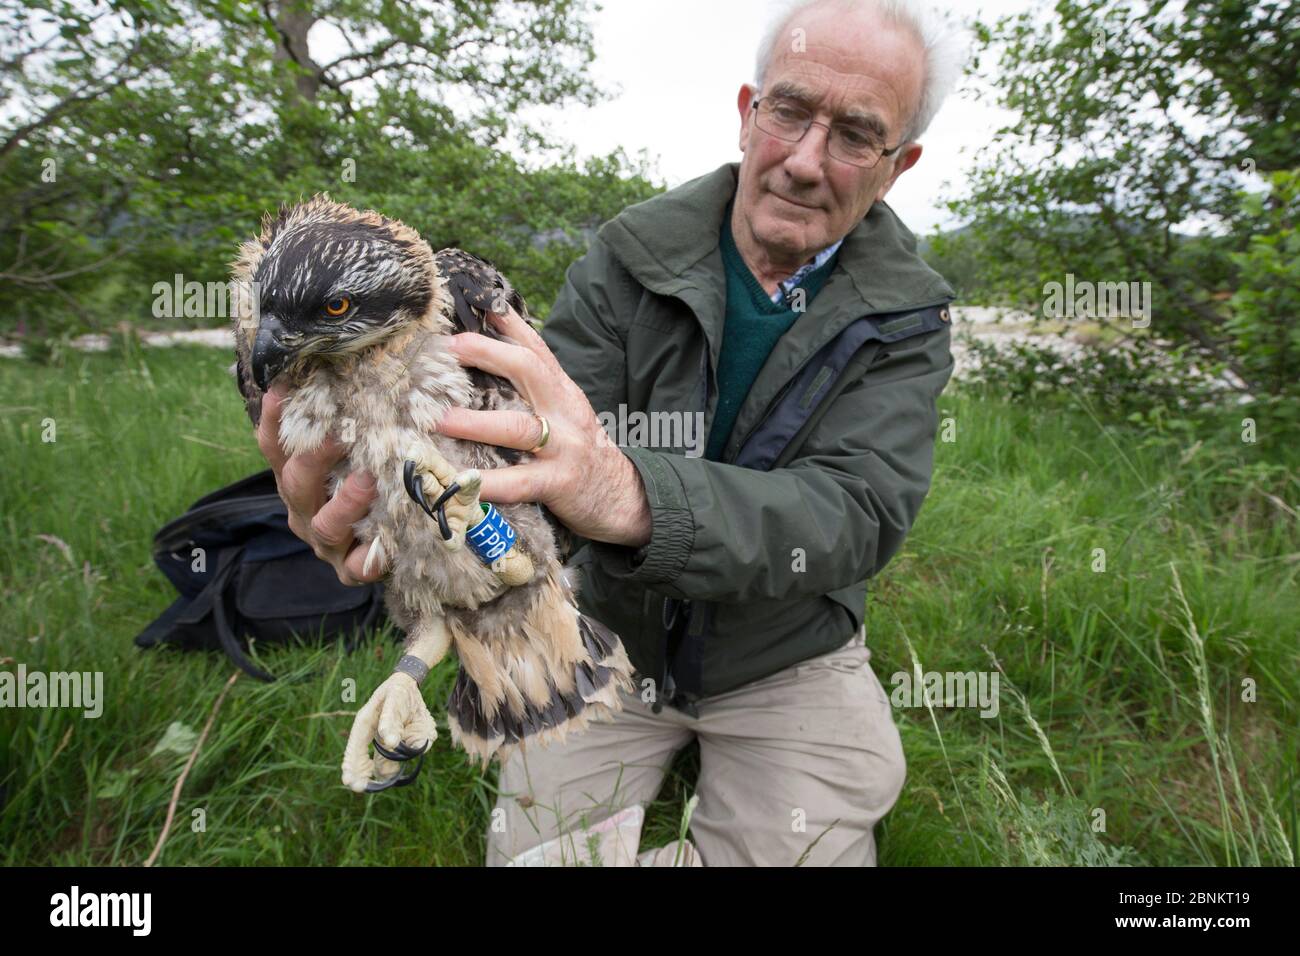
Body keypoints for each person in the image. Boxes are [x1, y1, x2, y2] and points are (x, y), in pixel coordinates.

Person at [255, 0, 964, 865]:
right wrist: (379, 514)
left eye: (856, 134)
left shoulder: (908, 317)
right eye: (789, 111)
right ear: (748, 113)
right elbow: (519, 442)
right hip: (605, 630)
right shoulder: (630, 257)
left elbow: (853, 513)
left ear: (899, 166)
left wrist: (623, 495)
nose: (806, 162)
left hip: (789, 652)